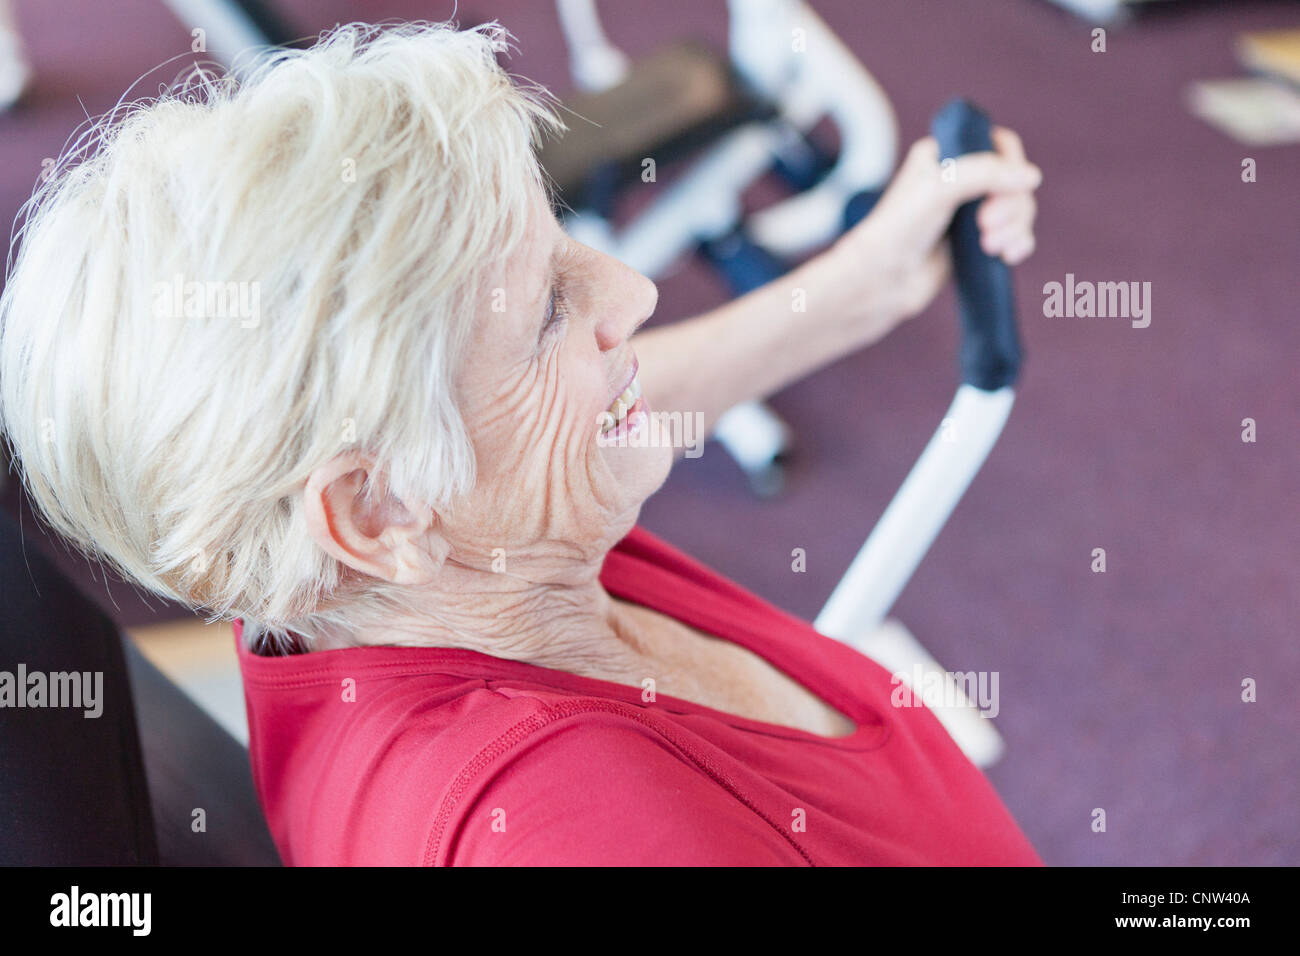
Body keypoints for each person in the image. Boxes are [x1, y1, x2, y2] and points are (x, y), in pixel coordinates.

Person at [0, 21, 1042, 865]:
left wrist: (863, 288)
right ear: (375, 508)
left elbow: (597, 404)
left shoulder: (402, 564)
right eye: (548, 307)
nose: (629, 293)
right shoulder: (586, 825)